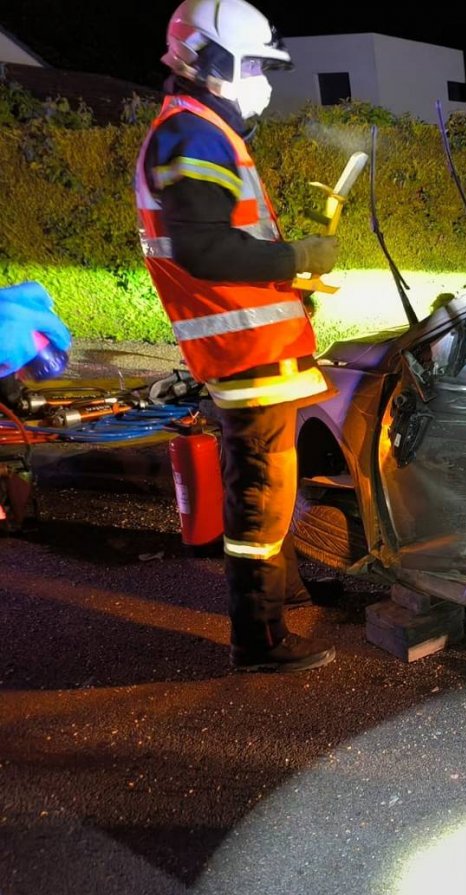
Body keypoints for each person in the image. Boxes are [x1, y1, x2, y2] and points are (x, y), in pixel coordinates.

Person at [135, 0, 341, 673]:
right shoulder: (191, 134)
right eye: (253, 66)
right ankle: (259, 639)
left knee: (270, 483)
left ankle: (284, 594)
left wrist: (288, 278)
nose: (262, 82)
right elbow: (204, 249)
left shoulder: (198, 130)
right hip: (244, 354)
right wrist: (296, 257)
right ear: (209, 60)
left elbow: (224, 245)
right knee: (260, 491)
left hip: (253, 350)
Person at [0, 282, 72, 409]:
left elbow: (34, 289)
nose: (21, 377)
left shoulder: (32, 301)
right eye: (27, 375)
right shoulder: (9, 353)